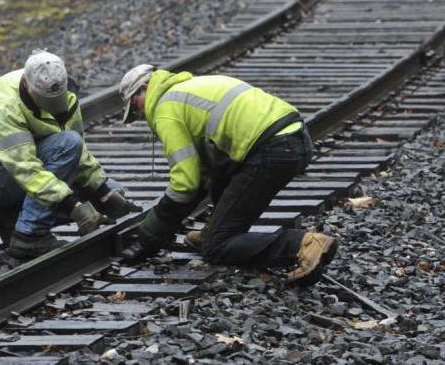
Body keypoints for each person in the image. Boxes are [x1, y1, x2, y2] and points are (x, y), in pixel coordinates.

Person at [119, 64, 338, 285]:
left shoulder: (165, 110)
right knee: (222, 175)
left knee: (216, 249)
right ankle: (213, 232)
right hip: (295, 139)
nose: (139, 115)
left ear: (145, 88)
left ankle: (303, 244)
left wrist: (152, 231)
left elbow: (185, 184)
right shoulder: (189, 87)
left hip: (271, 149)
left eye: (135, 108)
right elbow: (206, 174)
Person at [0, 50, 141, 259]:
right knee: (67, 153)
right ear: (27, 85)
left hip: (26, 169)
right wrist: (73, 206)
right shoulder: (2, 104)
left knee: (112, 190)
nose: (54, 106)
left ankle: (10, 215)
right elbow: (25, 168)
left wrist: (103, 192)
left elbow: (79, 154)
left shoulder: (66, 92)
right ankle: (29, 235)